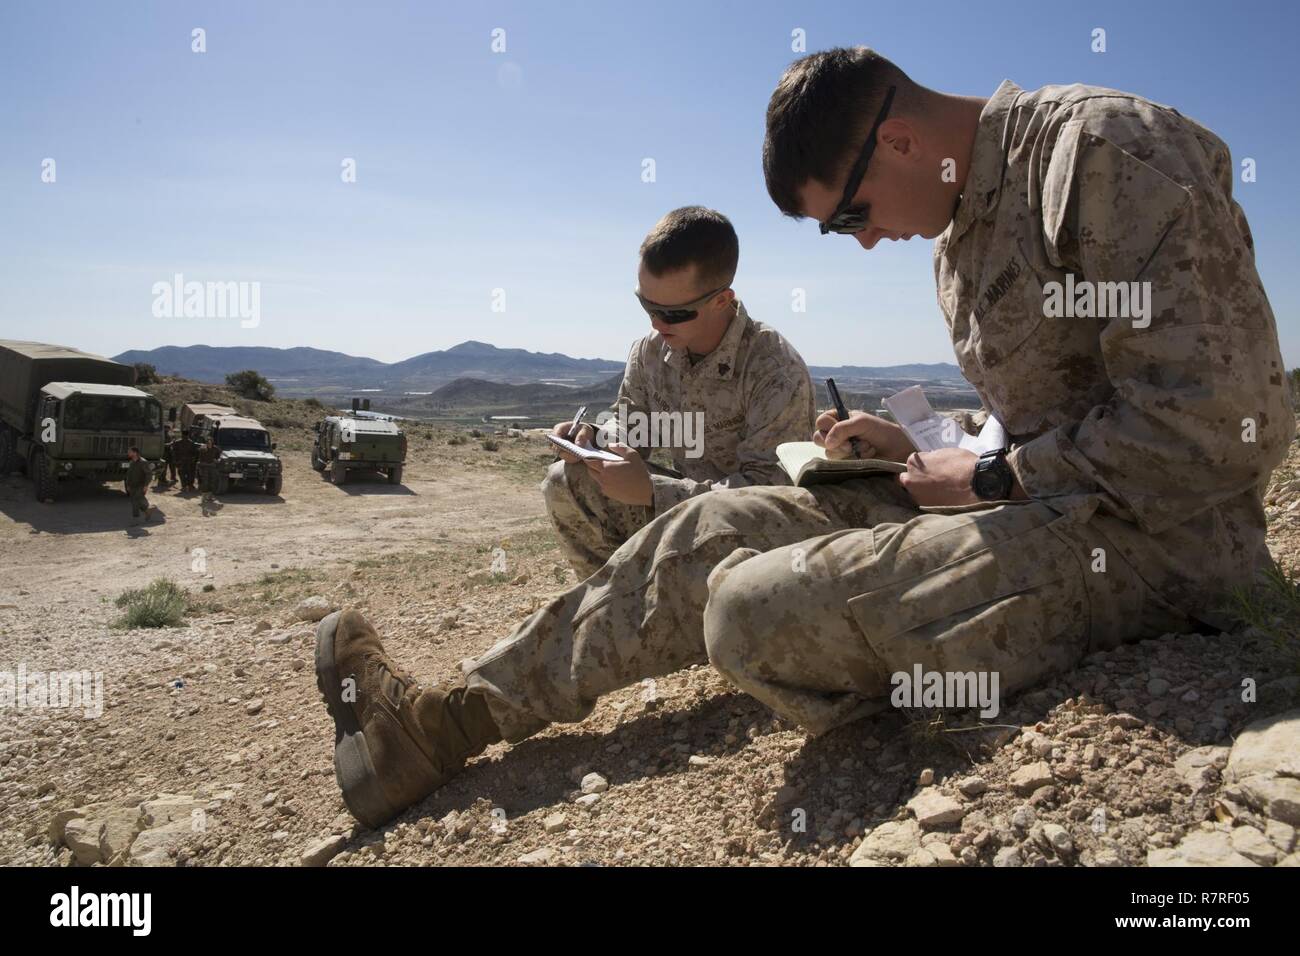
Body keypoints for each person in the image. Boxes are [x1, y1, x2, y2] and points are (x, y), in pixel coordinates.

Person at [314, 47, 1292, 829]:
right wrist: (929, 439)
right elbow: (1044, 407)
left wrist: (992, 472)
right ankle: (441, 725)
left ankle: (851, 656)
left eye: (850, 216)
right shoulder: (959, 236)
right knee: (708, 532)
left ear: (897, 140)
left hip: (1154, 542)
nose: (862, 241)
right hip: (1024, 497)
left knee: (744, 612)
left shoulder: (1103, 155)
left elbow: (1218, 427)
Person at [544, 206, 815, 576]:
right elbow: (631, 429)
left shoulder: (774, 371)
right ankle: (611, 606)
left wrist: (654, 493)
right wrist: (592, 441)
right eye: (646, 304)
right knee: (566, 480)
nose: (655, 322)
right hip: (681, 508)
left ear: (722, 299)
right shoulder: (650, 352)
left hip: (752, 541)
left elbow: (771, 497)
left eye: (672, 313)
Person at [124, 447, 154, 525]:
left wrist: (146, 485)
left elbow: (149, 474)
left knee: (135, 500)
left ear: (135, 453)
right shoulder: (131, 462)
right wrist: (128, 485)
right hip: (132, 485)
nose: (128, 453)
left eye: (130, 452)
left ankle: (135, 520)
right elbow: (129, 475)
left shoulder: (143, 462)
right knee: (136, 501)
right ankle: (147, 511)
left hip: (140, 485)